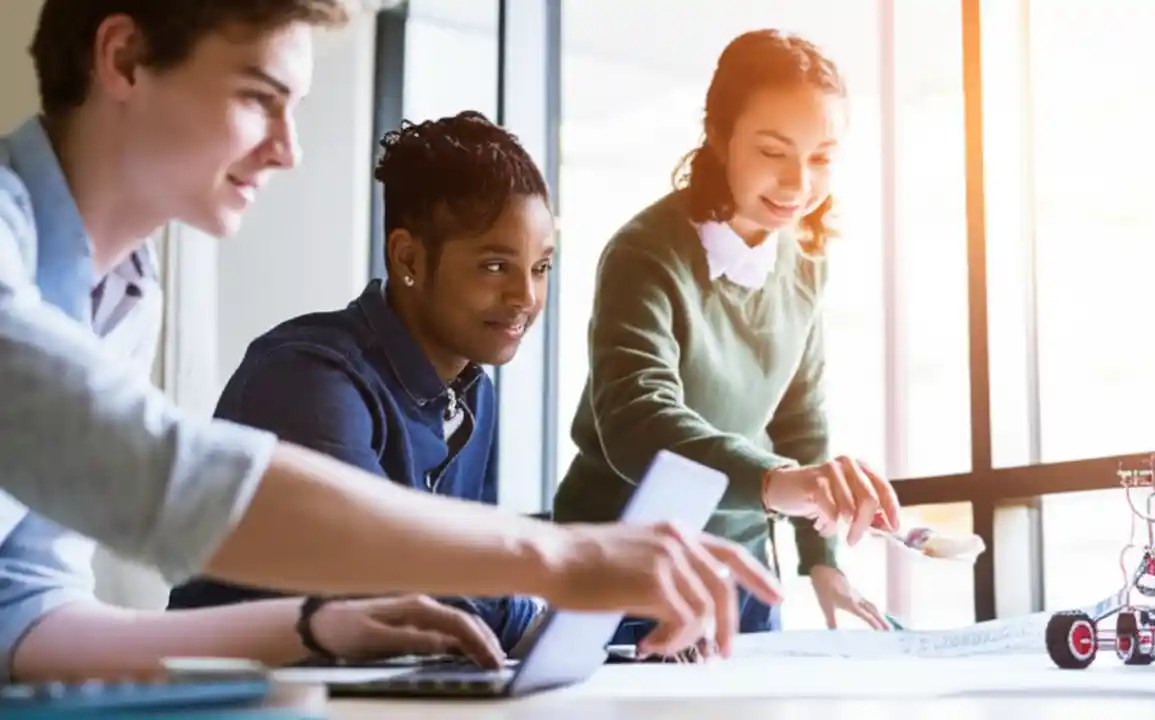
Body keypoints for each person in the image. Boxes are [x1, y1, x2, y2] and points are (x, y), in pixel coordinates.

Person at [0, 0, 782, 681]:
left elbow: (28, 614)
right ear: (124, 59)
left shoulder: (124, 296)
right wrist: (560, 557)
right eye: (259, 98)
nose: (288, 149)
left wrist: (311, 629)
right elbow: (165, 475)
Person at [554, 29, 900, 643]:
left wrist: (822, 562)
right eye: (773, 151)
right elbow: (636, 419)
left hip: (741, 572)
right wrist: (775, 482)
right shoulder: (645, 253)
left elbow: (800, 420)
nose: (798, 184)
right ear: (718, 134)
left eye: (821, 158)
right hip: (625, 562)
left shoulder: (805, 261)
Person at [169, 111, 557, 656]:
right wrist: (554, 598)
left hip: (379, 684)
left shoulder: (475, 395)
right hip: (250, 688)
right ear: (408, 258)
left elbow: (470, 573)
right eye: (495, 266)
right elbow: (387, 568)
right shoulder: (310, 377)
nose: (526, 297)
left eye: (541, 268)